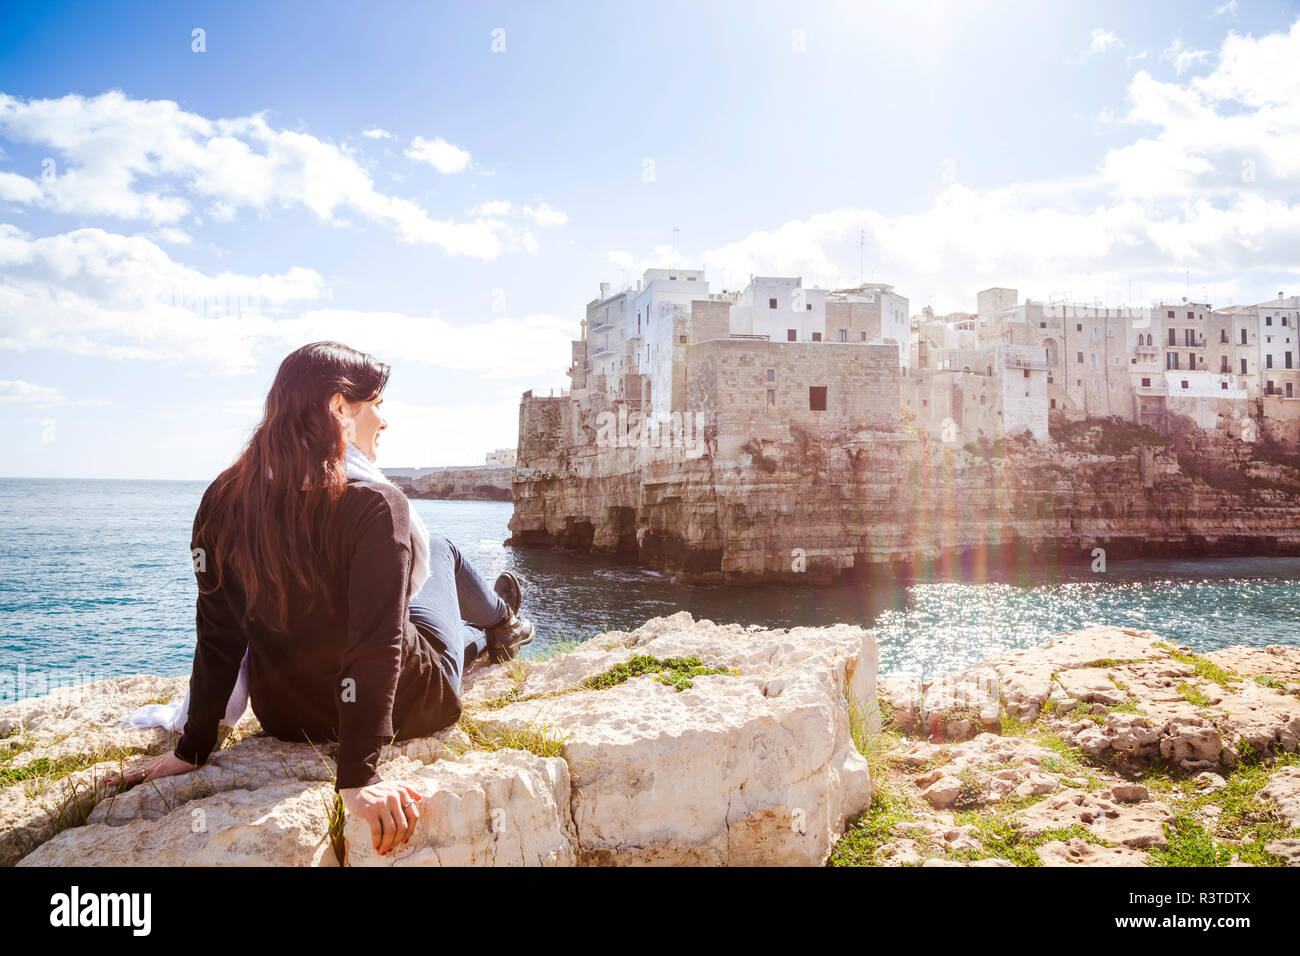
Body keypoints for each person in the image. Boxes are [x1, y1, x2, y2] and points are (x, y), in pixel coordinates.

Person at [104, 341, 534, 857]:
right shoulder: (377, 504)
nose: (384, 421)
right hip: (410, 706)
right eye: (376, 403)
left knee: (415, 602)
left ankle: (496, 625)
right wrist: (358, 779)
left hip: (289, 716)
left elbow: (219, 635)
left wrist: (193, 750)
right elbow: (376, 646)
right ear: (339, 409)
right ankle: (500, 622)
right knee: (438, 550)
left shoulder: (224, 499)